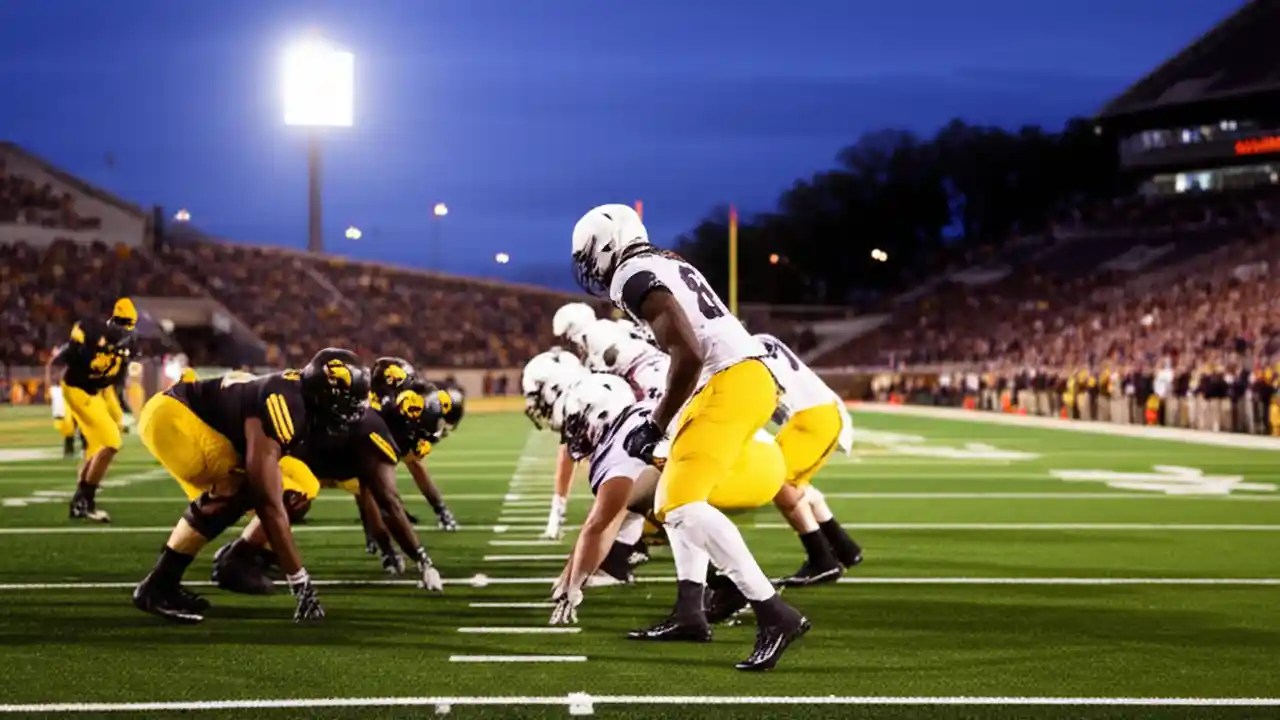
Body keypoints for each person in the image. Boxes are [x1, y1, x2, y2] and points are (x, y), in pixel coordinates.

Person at [568, 203, 808, 671]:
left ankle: (773, 612)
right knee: (672, 498)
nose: (590, 267)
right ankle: (690, 612)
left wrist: (657, 422)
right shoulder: (667, 260)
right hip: (736, 378)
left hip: (728, 379)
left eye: (589, 254)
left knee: (679, 504)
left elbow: (689, 351)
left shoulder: (629, 275)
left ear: (607, 245)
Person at [130, 348, 370, 624]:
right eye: (346, 403)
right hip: (174, 419)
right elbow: (266, 499)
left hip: (194, 421)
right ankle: (159, 584)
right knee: (237, 489)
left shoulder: (301, 398)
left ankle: (239, 559)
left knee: (299, 486)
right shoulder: (284, 404)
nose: (348, 413)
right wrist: (300, 582)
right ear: (326, 392)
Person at [548, 373, 785, 623]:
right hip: (760, 454)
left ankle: (767, 606)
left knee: (672, 507)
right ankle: (699, 604)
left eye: (577, 424)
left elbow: (598, 527)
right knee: (661, 500)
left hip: (742, 469)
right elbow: (606, 521)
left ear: (598, 416)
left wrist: (573, 586)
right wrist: (572, 575)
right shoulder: (643, 409)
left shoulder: (617, 453)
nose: (575, 435)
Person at [212, 376, 446, 594]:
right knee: (294, 497)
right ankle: (236, 559)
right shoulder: (376, 434)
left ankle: (253, 555)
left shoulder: (373, 419)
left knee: (298, 497)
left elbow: (376, 499)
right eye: (422, 430)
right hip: (270, 447)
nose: (422, 441)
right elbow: (389, 505)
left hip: (286, 449)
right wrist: (423, 560)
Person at [753, 333, 862, 586]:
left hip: (813, 417)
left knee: (779, 483)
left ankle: (822, 560)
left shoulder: (740, 352)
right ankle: (843, 547)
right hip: (811, 412)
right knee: (789, 482)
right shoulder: (759, 339)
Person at [47, 297, 138, 522]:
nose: (123, 330)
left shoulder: (126, 346)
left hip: (94, 392)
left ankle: (81, 501)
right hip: (76, 389)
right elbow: (64, 357)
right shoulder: (92, 331)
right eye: (121, 323)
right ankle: (84, 500)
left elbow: (114, 380)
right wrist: (91, 347)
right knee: (111, 442)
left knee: (100, 446)